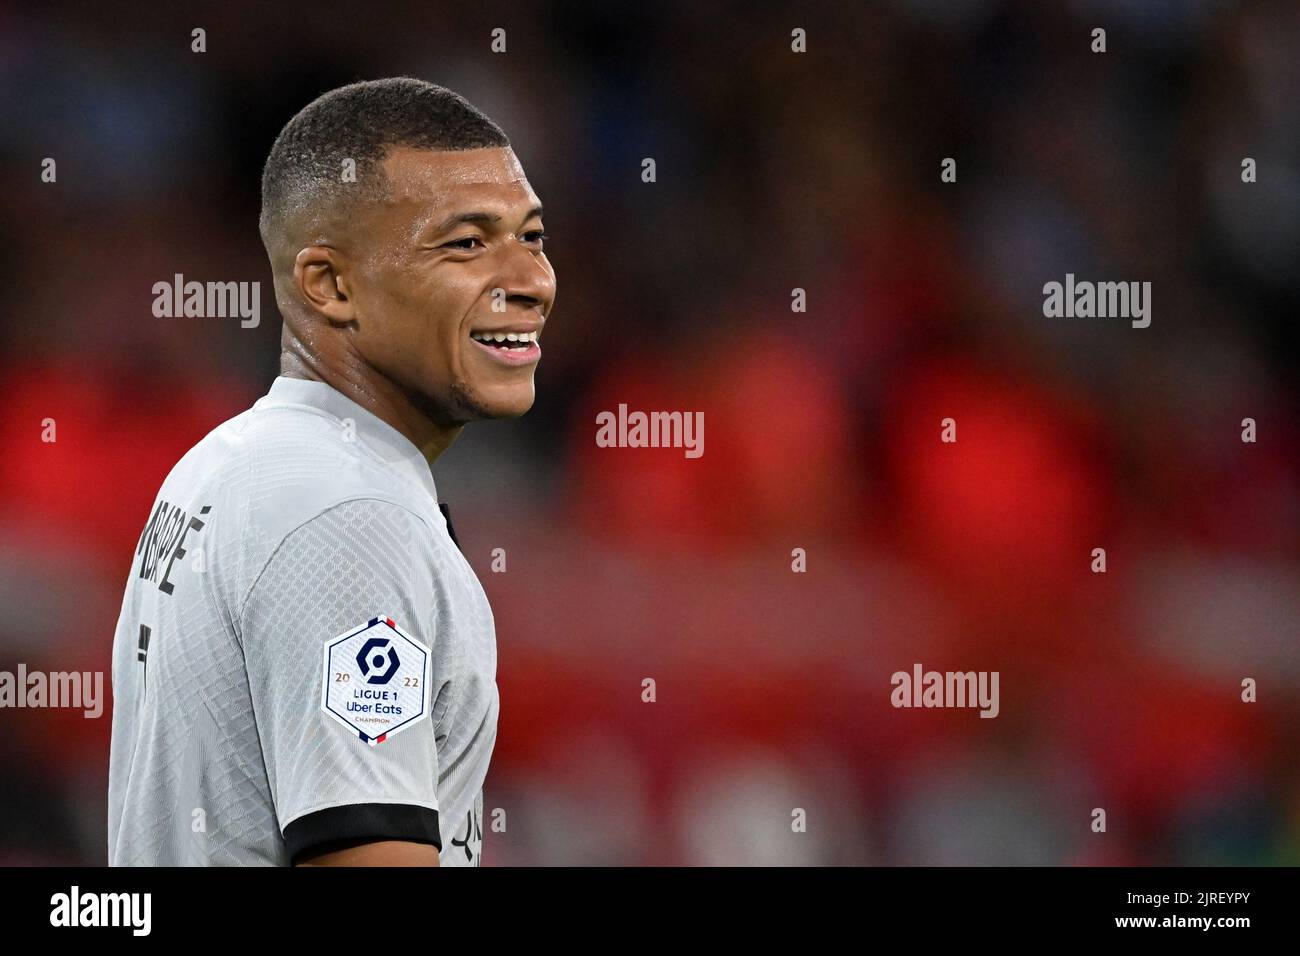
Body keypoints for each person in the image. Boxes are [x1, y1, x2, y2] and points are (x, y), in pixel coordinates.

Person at [107, 77, 556, 866]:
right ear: (331, 286)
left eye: (533, 236)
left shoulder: (226, 461)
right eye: (466, 243)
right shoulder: (351, 517)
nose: (530, 281)